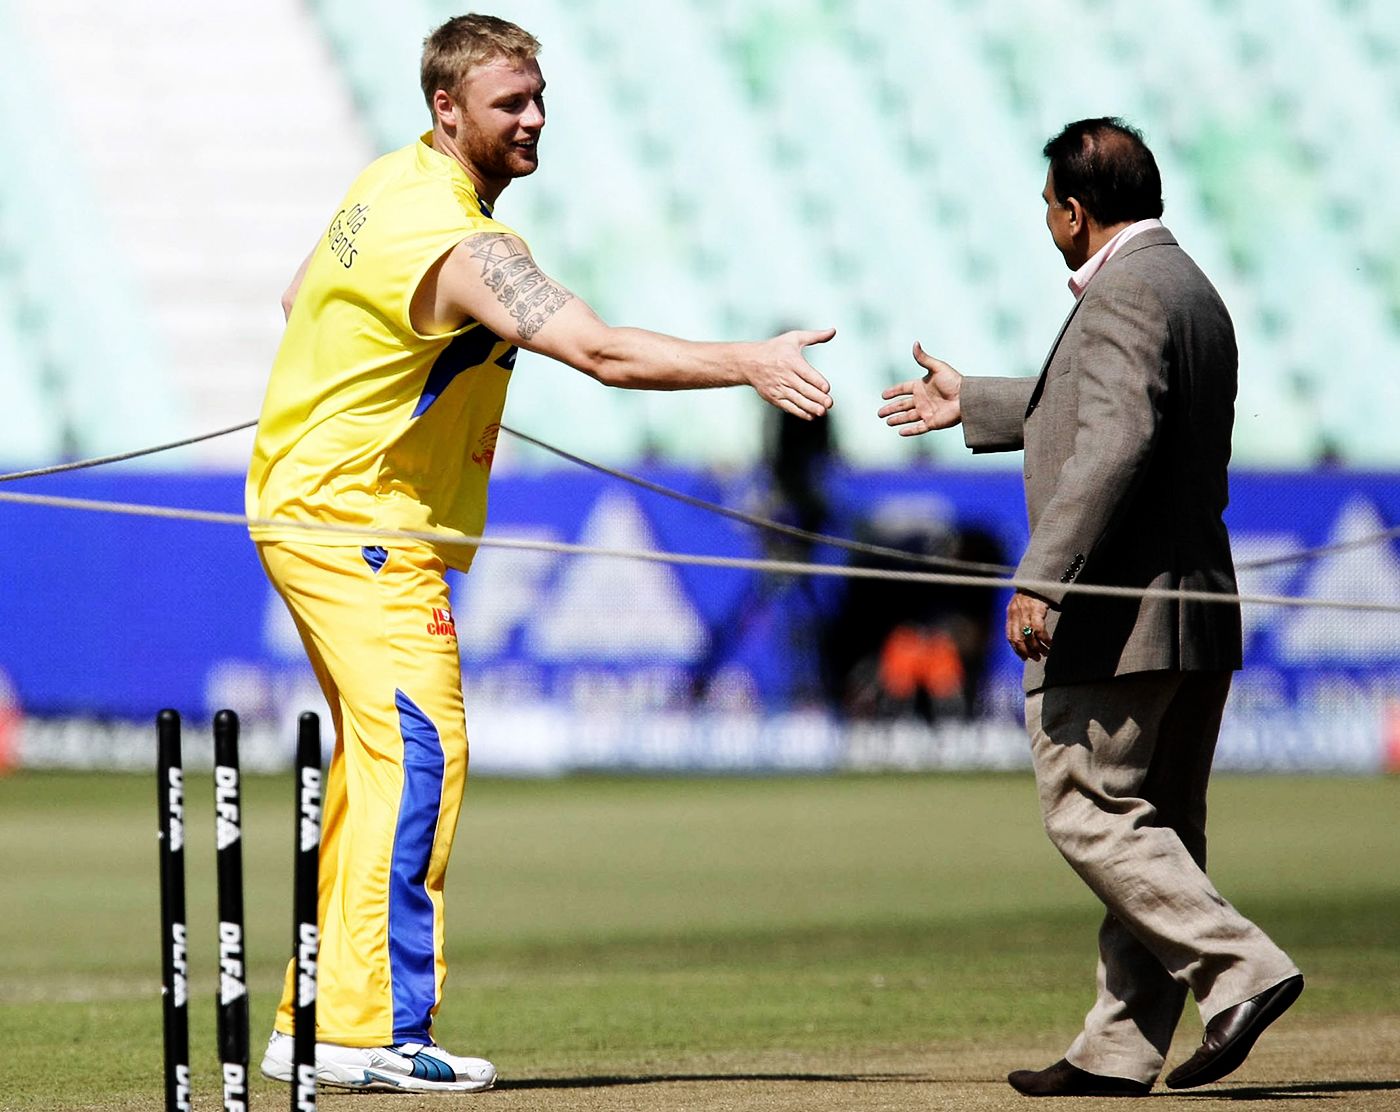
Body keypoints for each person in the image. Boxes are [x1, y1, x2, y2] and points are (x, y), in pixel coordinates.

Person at [246, 13, 834, 1094]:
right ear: (447, 109)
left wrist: (378, 379)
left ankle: (316, 1020)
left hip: (312, 503)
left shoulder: (387, 181)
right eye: (507, 103)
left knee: (378, 762)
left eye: (536, 98)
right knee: (420, 755)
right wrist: (748, 361)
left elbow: (297, 300)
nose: (532, 119)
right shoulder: (469, 245)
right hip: (362, 525)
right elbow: (600, 351)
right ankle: (367, 1028)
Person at [878, 118, 1302, 1096]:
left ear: (1073, 211)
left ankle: (1240, 968)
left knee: (1088, 809)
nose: (1045, 224)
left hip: (1119, 614)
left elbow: (1111, 438)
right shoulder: (1186, 287)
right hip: (1194, 609)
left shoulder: (1118, 294)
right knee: (1155, 828)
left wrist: (1043, 573)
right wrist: (979, 400)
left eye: (1045, 209)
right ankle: (1116, 1044)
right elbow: (1110, 401)